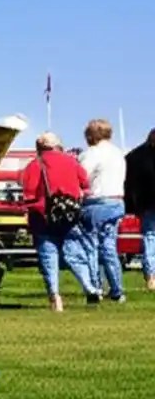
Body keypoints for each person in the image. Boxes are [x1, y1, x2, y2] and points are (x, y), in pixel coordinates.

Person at [19, 132, 101, 311]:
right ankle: (90, 288)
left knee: (49, 257)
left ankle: (55, 297)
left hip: (43, 217)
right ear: (57, 146)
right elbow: (85, 186)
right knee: (75, 254)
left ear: (39, 148)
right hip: (69, 215)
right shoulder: (71, 161)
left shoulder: (34, 165)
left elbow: (30, 194)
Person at [77, 119, 127, 302]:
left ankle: (95, 288)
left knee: (91, 246)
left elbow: (81, 177)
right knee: (109, 247)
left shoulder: (91, 154)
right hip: (116, 202)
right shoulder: (118, 153)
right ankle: (117, 289)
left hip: (96, 202)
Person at [124, 129, 155, 291]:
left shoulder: (134, 156)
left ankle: (151, 277)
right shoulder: (136, 156)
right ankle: (151, 276)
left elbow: (130, 184)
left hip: (146, 204)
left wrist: (132, 204)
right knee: (150, 238)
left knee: (149, 239)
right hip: (147, 204)